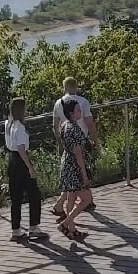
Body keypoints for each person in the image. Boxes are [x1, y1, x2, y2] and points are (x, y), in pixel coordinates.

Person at [51, 77, 100, 216]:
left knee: (72, 175)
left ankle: (63, 206)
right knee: (79, 173)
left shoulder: (58, 103)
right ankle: (70, 211)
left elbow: (55, 126)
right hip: (80, 141)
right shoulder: (83, 102)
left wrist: (61, 143)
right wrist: (96, 142)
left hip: (67, 143)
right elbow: (90, 124)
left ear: (64, 87)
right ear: (76, 86)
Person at [4, 97, 47, 243]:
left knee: (15, 198)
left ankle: (16, 230)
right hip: (21, 161)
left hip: (11, 160)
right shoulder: (20, 127)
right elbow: (22, 150)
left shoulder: (8, 124)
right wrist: (30, 168)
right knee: (34, 194)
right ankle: (33, 227)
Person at [55, 97, 93, 242]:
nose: (80, 111)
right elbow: (78, 152)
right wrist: (84, 174)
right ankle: (65, 224)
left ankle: (72, 229)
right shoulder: (74, 129)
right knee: (87, 198)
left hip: (66, 165)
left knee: (71, 196)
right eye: (77, 110)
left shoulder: (64, 126)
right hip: (75, 167)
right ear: (71, 113)